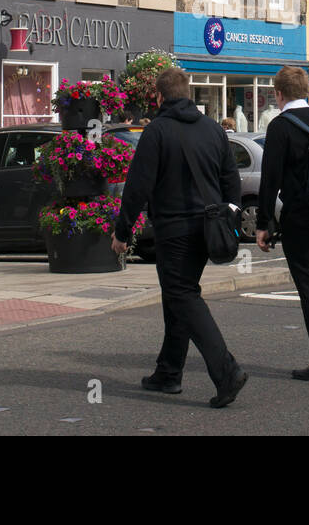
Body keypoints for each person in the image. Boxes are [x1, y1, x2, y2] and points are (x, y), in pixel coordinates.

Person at [110, 67, 248, 408]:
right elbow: (232, 180)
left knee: (183, 296)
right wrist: (229, 217)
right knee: (177, 298)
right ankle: (168, 373)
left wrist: (122, 231)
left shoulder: (156, 131)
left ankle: (226, 371)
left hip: (174, 231)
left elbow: (138, 185)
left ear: (158, 96)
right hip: (208, 229)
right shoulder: (214, 130)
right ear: (188, 93)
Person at [256, 65, 309, 382]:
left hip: (301, 216)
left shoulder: (281, 126)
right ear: (304, 90)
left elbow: (270, 179)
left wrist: (263, 224)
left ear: (279, 94)